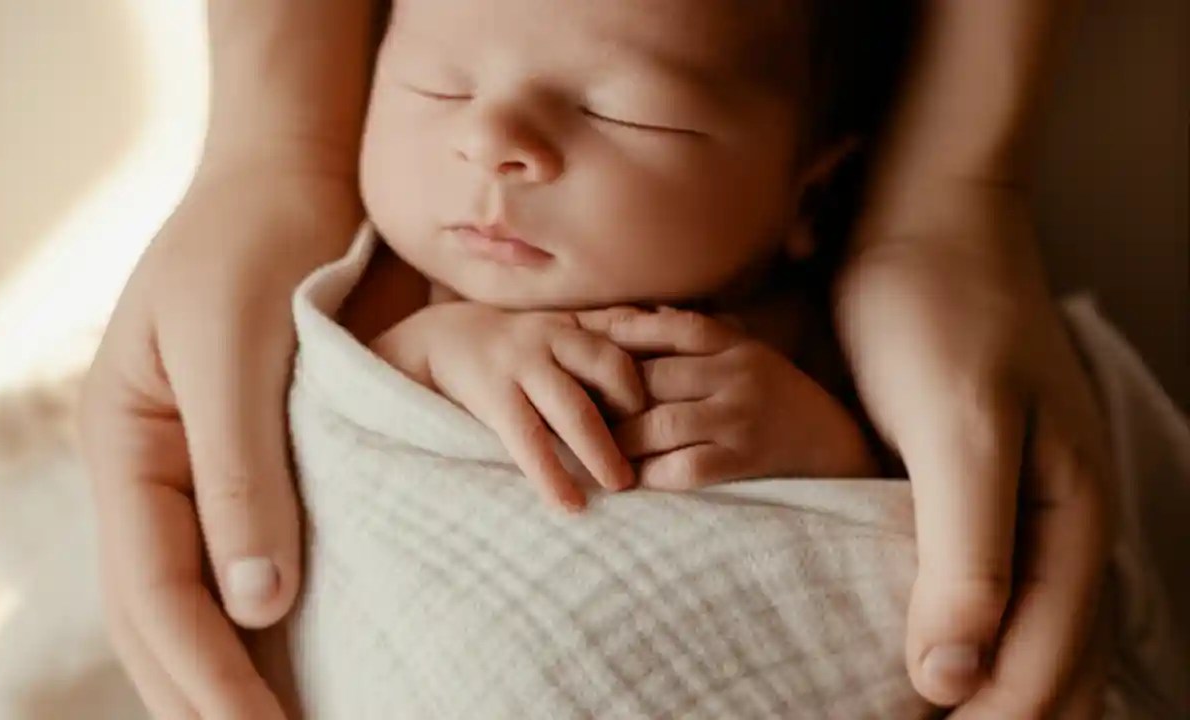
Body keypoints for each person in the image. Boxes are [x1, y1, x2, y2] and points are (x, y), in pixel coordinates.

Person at [80, 1, 1113, 718]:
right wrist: (441, 352)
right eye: (436, 86)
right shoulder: (387, 288)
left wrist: (818, 438)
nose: (492, 141)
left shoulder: (831, 331)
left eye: (625, 109)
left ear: (804, 196)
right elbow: (333, 405)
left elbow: (891, 525)